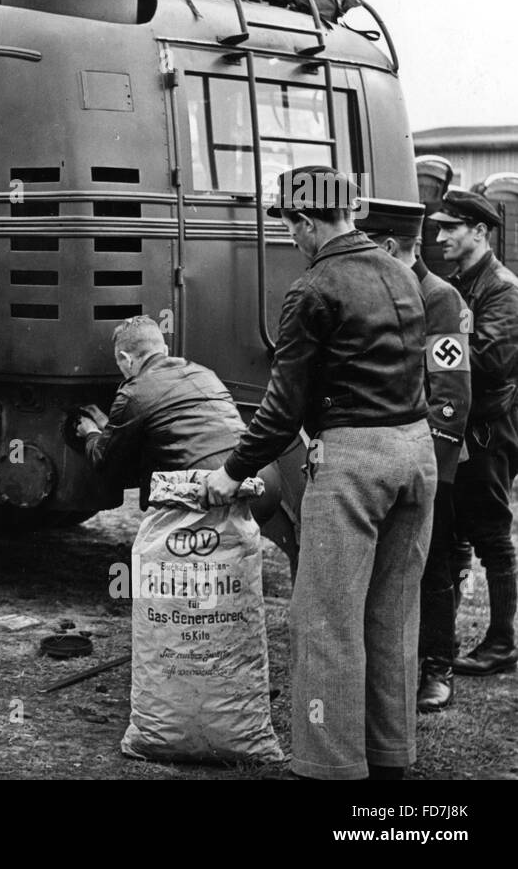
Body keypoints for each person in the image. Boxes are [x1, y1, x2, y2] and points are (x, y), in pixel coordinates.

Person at [204, 166, 435, 781]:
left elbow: (281, 409)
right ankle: (390, 761)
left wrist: (232, 472)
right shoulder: (399, 271)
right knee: (391, 617)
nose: (290, 236)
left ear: (305, 222)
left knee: (327, 621)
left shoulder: (312, 289)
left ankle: (329, 768)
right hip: (416, 455)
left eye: (288, 223)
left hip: (354, 462)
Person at [359, 198, 471, 712]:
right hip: (384, 452)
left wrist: (435, 466)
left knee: (433, 567)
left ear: (387, 245)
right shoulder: (376, 290)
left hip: (431, 458)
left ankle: (437, 668)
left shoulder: (438, 296)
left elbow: (451, 392)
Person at [428, 190, 518, 676]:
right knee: (455, 530)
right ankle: (449, 632)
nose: (439, 237)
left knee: (492, 534)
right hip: (462, 428)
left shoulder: (502, 288)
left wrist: (431, 356)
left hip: (487, 431)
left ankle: (503, 642)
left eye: (450, 228)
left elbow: (491, 361)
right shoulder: (461, 282)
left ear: (480, 233)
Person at [70, 315, 246, 505]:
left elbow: (104, 462)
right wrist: (110, 426)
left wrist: (90, 432)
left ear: (125, 359)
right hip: (252, 478)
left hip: (208, 492)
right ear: (165, 350)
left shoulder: (133, 392)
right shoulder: (203, 373)